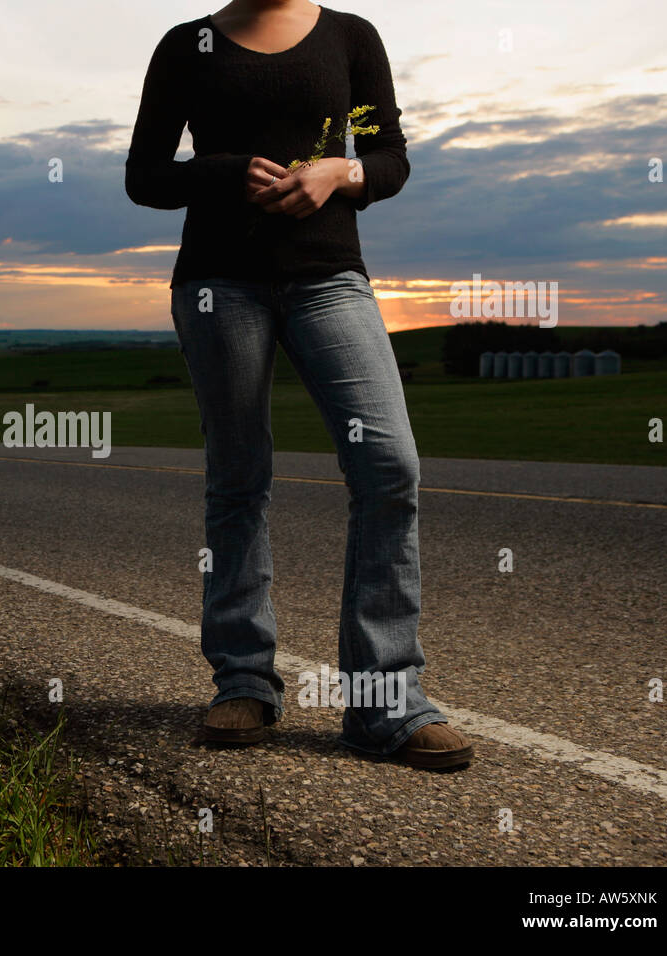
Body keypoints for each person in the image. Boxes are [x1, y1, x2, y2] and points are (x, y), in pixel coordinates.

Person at [124, 0, 473, 769]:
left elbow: (388, 157)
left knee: (389, 465)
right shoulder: (189, 45)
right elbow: (144, 176)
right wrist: (222, 172)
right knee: (239, 477)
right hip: (220, 283)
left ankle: (385, 705)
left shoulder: (350, 38)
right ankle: (243, 681)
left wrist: (337, 173)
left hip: (328, 278)